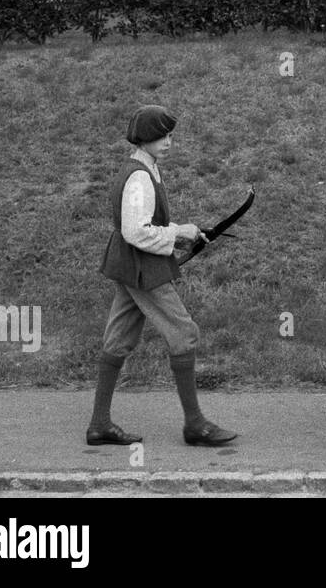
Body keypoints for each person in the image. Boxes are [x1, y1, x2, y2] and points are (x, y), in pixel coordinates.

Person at [86, 105, 237, 448]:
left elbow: (143, 226)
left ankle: (99, 424)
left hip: (131, 264)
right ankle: (195, 425)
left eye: (170, 135)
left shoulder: (146, 168)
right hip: (143, 267)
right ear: (144, 138)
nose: (168, 142)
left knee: (118, 338)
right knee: (184, 333)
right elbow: (136, 232)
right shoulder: (140, 177)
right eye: (161, 136)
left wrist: (184, 233)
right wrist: (178, 232)